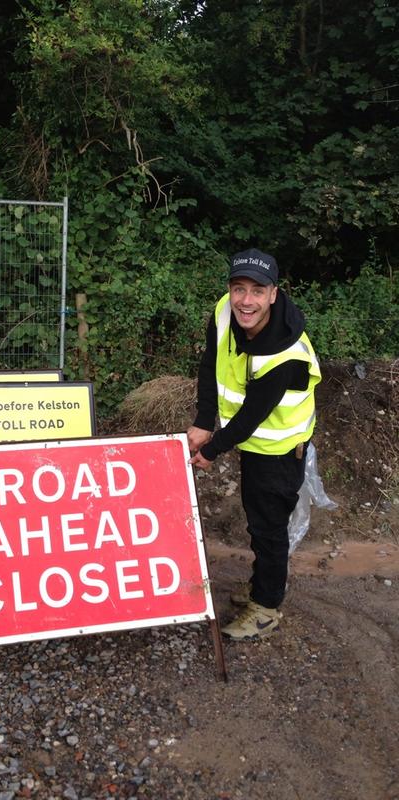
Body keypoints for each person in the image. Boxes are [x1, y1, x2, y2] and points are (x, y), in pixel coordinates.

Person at [187, 248, 321, 641]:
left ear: (273, 294)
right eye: (238, 288)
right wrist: (201, 419)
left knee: (268, 528)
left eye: (257, 291)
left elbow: (251, 416)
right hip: (253, 443)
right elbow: (211, 362)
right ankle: (263, 582)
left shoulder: (286, 352)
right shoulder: (225, 312)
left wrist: (210, 450)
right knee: (258, 519)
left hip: (279, 448)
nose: (246, 301)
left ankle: (266, 606)